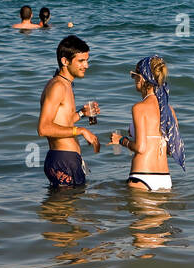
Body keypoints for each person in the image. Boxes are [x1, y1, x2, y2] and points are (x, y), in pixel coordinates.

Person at [110, 56, 185, 191]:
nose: (134, 80)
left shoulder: (139, 108)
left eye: (134, 76)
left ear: (142, 78)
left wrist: (121, 140)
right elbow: (171, 149)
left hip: (142, 176)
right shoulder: (169, 110)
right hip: (165, 178)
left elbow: (141, 148)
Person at [37, 36, 101, 188]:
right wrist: (81, 131)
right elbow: (43, 128)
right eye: (81, 61)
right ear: (65, 61)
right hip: (63, 160)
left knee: (68, 210)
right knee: (64, 209)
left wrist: (81, 113)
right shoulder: (58, 86)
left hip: (66, 159)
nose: (86, 65)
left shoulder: (65, 84)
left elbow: (61, 122)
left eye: (87, 60)